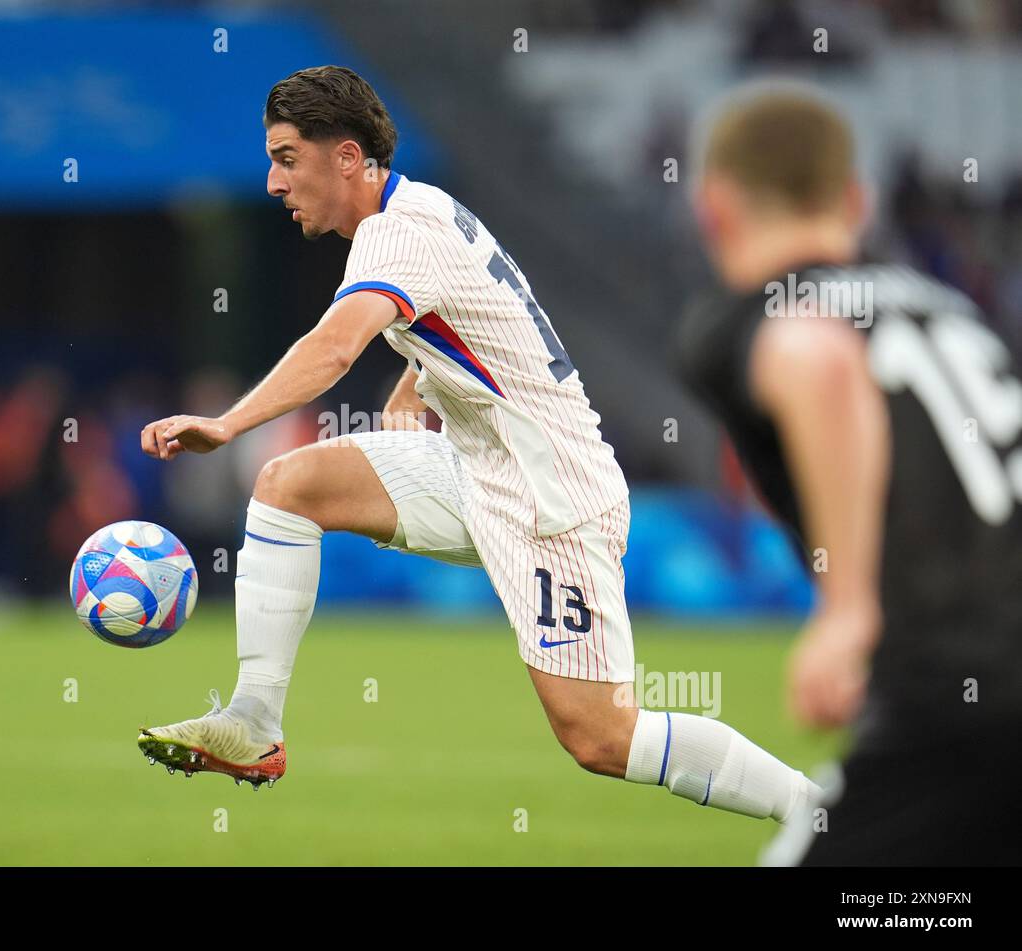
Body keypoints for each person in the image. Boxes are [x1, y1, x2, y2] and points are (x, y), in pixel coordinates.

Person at [138, 65, 818, 830]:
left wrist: (227, 423)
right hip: (479, 467)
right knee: (290, 485)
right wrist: (415, 382)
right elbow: (465, 318)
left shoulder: (398, 234)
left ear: (348, 157)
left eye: (287, 157)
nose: (271, 181)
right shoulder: (415, 208)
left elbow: (332, 350)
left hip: (550, 499)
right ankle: (254, 721)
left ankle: (819, 811)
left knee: (600, 737)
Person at [676, 84, 1022, 864]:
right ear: (857, 201)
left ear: (714, 207)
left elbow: (817, 359)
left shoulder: (748, 316)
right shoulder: (950, 309)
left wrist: (849, 613)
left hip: (962, 697)